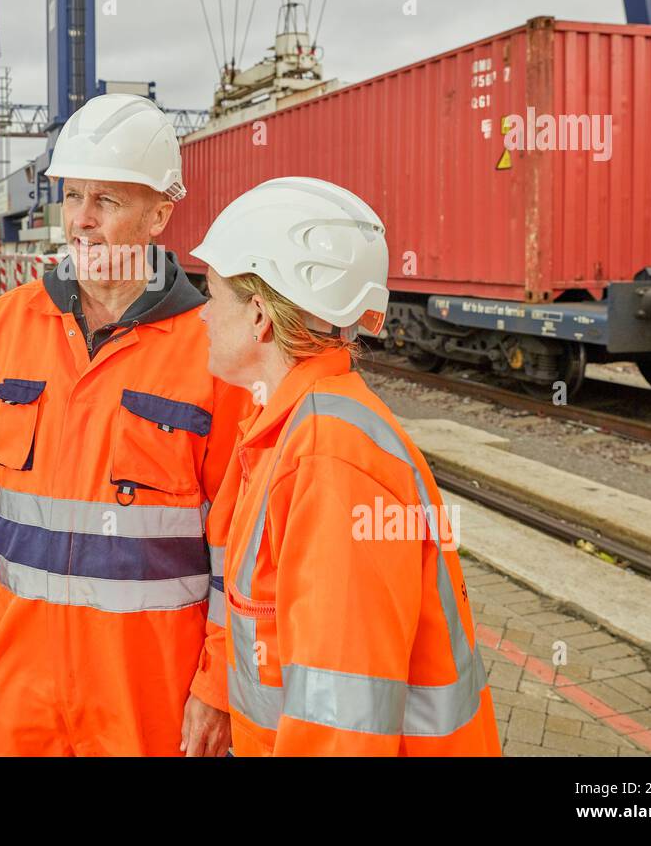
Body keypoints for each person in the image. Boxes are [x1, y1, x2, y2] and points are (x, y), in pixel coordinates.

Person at [0, 93, 252, 756]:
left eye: (108, 201)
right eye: (73, 198)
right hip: (11, 683)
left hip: (146, 695)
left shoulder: (214, 352)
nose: (82, 221)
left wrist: (221, 681)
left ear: (160, 214)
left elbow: (240, 547)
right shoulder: (3, 327)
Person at [192, 176, 501, 756]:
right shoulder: (296, 432)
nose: (202, 317)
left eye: (211, 295)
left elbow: (342, 724)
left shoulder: (330, 463)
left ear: (259, 315)